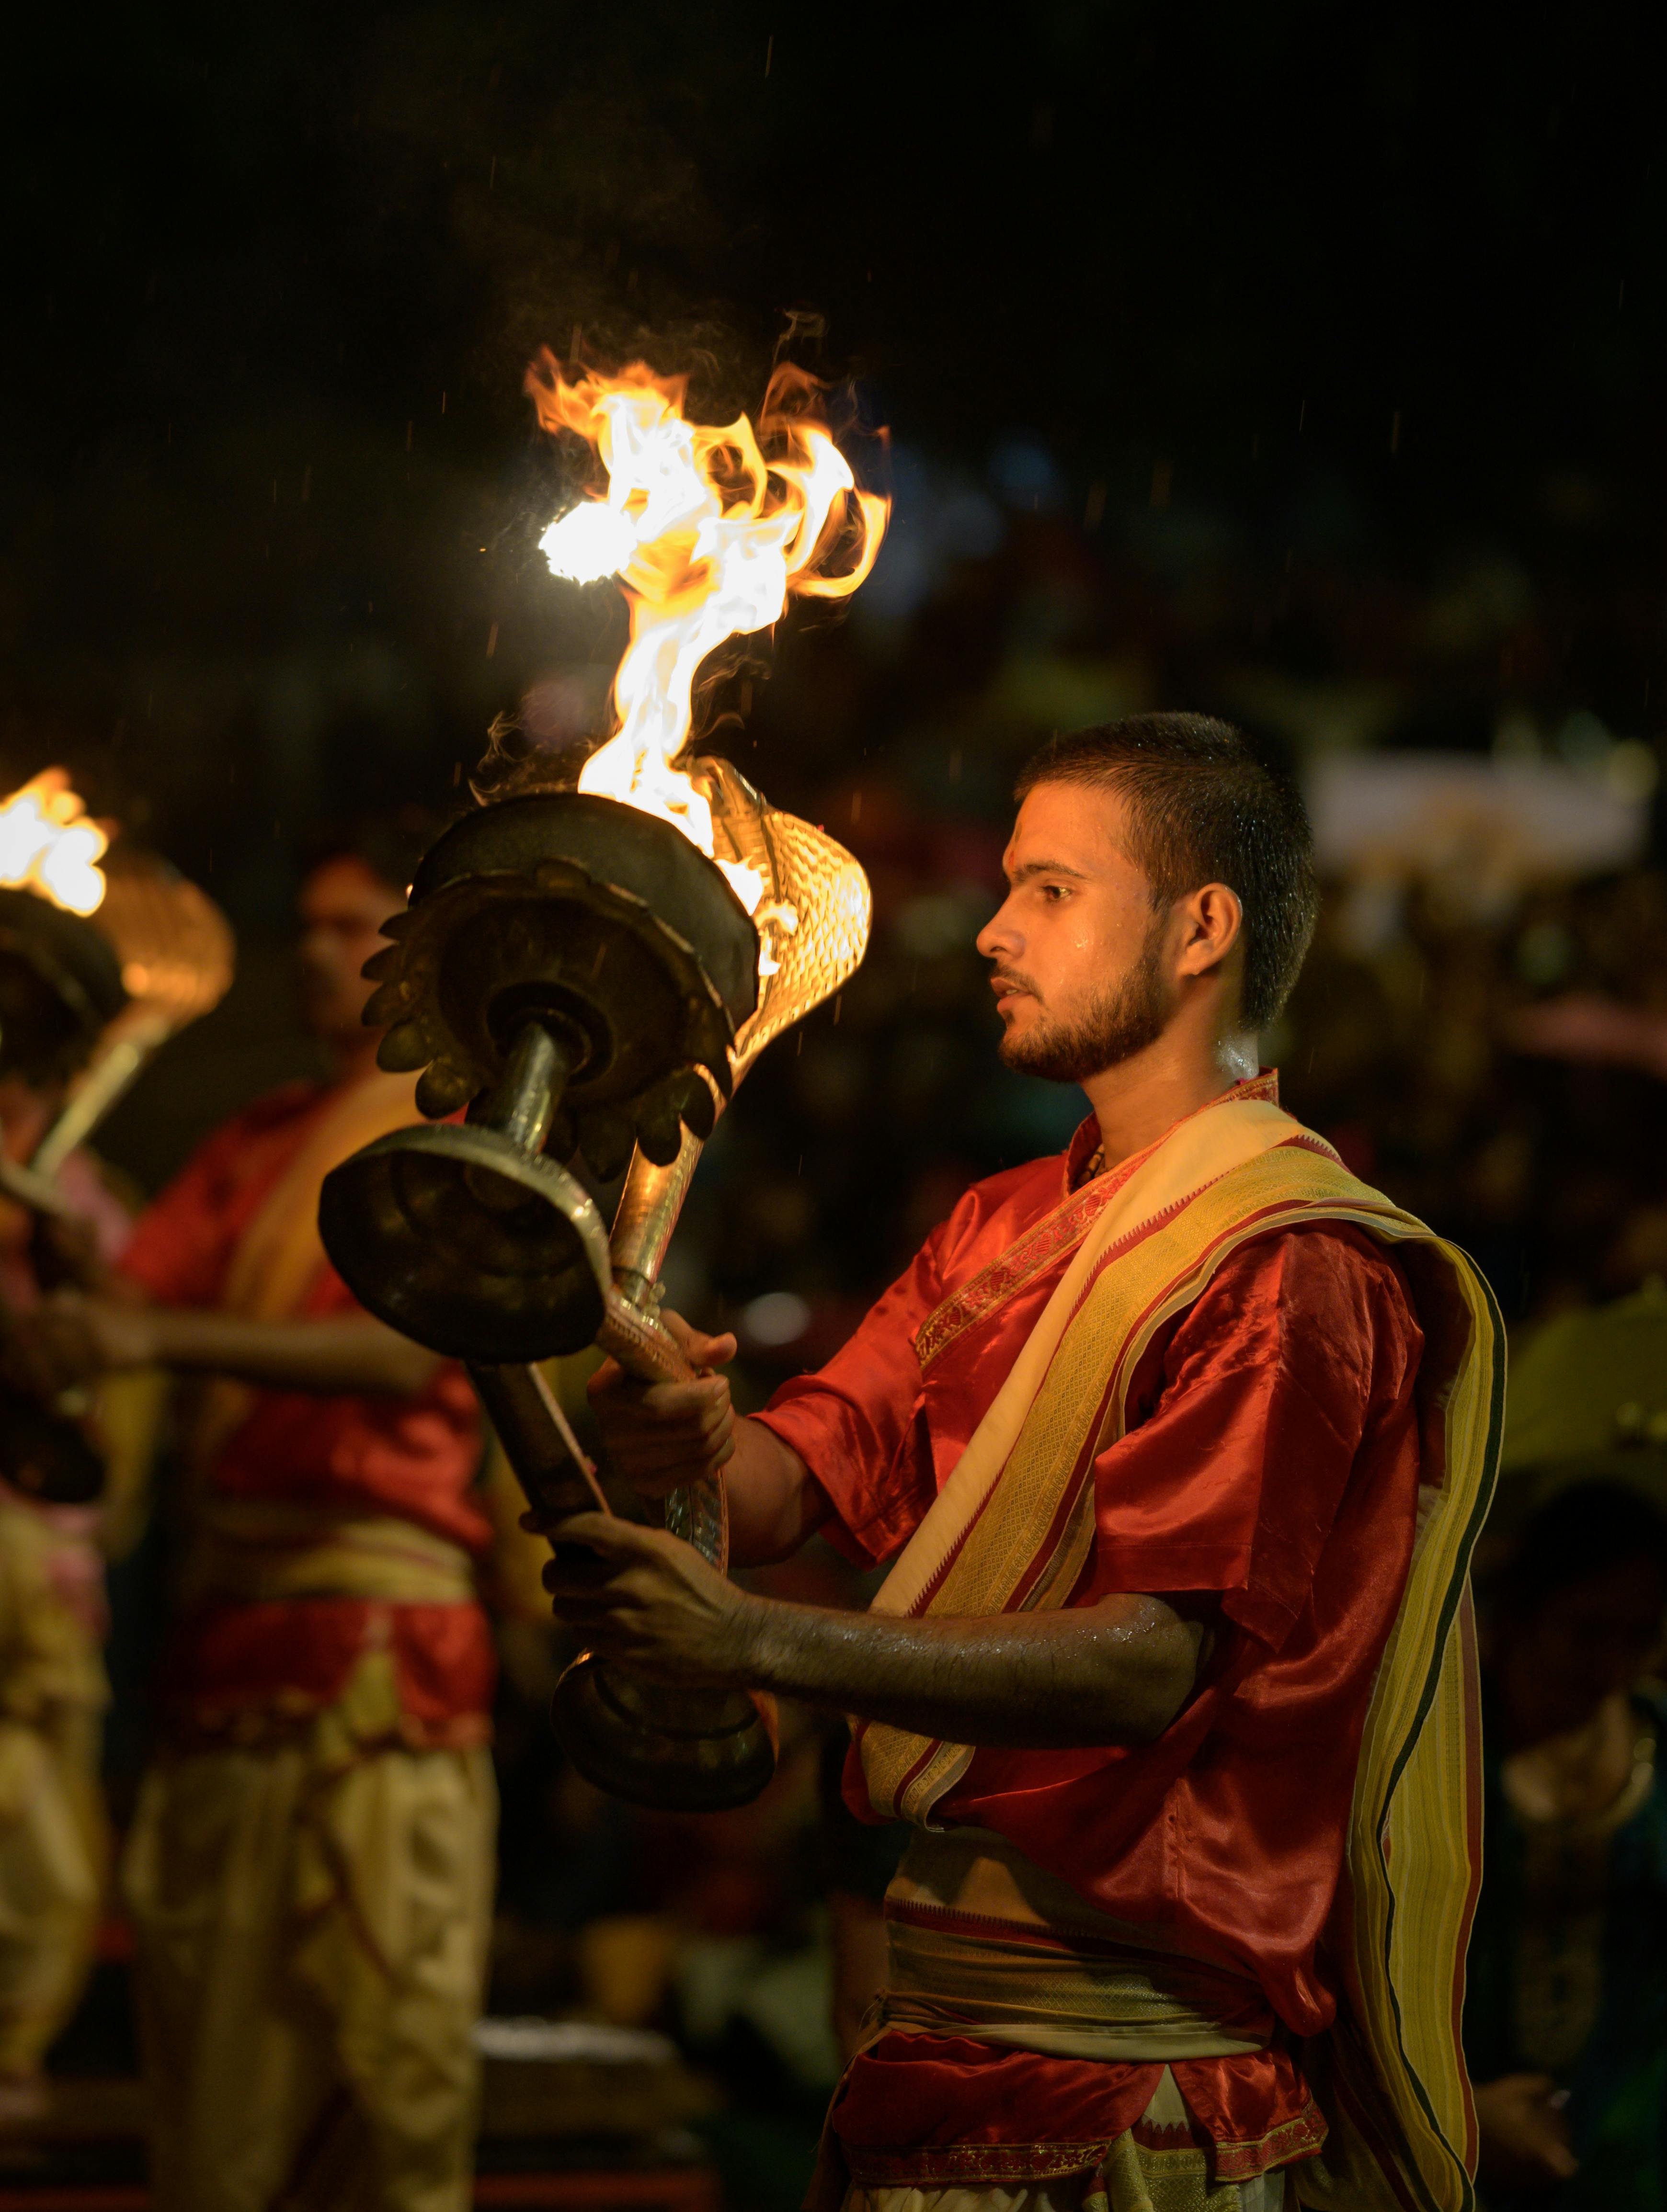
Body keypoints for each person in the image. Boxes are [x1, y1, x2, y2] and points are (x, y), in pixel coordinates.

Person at [541, 715, 1503, 2212]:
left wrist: (752, 1640)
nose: (992, 929)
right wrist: (684, 1437)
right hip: (929, 2026)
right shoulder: (996, 1219)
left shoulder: (1287, 1259)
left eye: (1050, 888)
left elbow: (1146, 1665)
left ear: (1202, 929)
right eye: (1006, 884)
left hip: (1121, 2083)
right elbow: (791, 1481)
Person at [18, 836, 540, 2212]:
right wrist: (69, 1260)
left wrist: (136, 1325)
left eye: (354, 926)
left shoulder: (467, 1150)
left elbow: (397, 1358)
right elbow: (130, 1295)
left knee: (392, 2070)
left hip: (384, 1659)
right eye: (306, 927)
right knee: (216, 2091)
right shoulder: (250, 1144)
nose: (320, 952)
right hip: (226, 1647)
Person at [0, 886, 133, 2117]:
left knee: (41, 1848)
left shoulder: (79, 1184)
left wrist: (80, 1287)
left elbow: (106, 1379)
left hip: (34, 1556)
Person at [1465, 1479, 1667, 2209]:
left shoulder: (1659, 1744)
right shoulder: (1445, 1752)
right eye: (1587, 1630)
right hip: (1459, 2141)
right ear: (1524, 1614)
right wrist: (1459, 2110)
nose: (1611, 1665)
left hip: (1633, 2155)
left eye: (1638, 1636)